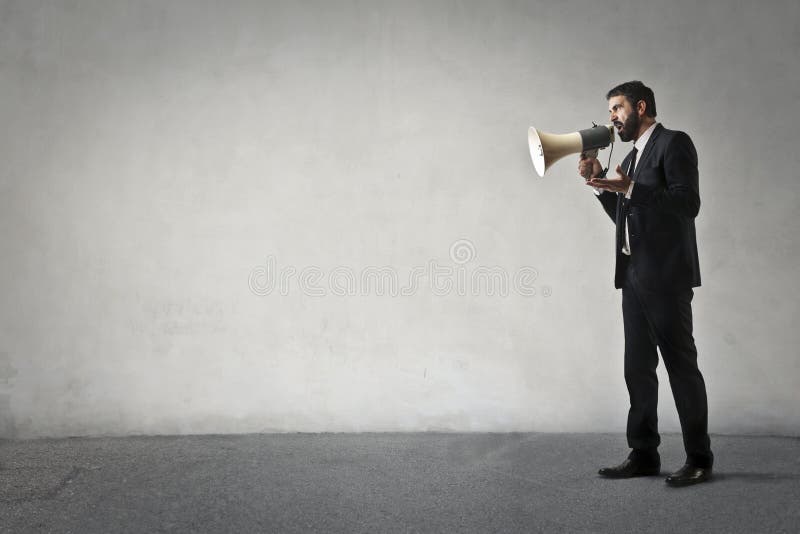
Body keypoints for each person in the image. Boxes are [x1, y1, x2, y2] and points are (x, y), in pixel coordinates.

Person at [579, 81, 713, 487]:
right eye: (610, 112)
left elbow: (687, 204)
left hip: (666, 278)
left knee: (680, 367)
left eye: (617, 109)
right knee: (637, 368)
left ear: (640, 107)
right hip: (634, 276)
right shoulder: (634, 156)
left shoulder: (674, 144)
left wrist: (633, 188)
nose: (612, 119)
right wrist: (601, 183)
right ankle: (643, 454)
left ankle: (699, 458)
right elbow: (631, 217)